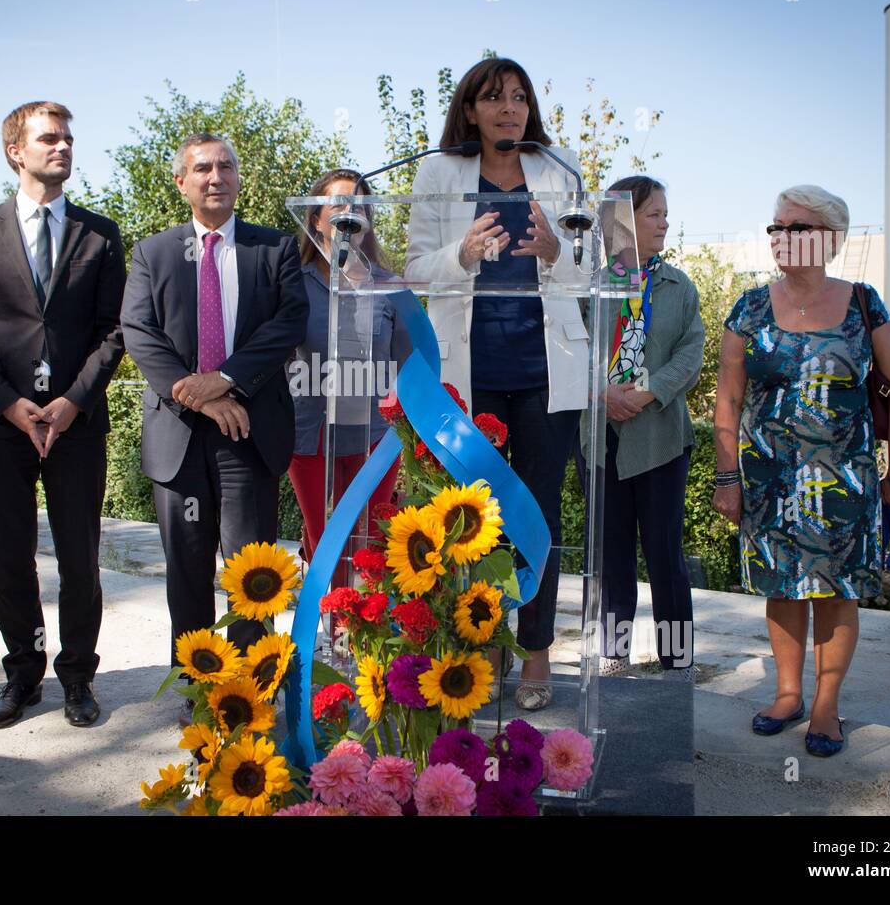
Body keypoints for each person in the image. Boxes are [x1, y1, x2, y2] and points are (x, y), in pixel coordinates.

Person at [405, 57, 590, 710]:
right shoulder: (439, 172)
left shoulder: (559, 167)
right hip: (468, 373)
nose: (509, 108)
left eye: (518, 97)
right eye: (494, 98)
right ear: (472, 110)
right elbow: (416, 270)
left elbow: (591, 269)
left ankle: (535, 655)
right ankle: (477, 653)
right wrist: (461, 255)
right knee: (473, 522)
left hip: (546, 372)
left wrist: (554, 253)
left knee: (536, 515)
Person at [714, 185, 890, 757]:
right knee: (781, 585)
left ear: (829, 238)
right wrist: (727, 476)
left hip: (844, 476)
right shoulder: (750, 306)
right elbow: (728, 400)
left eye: (796, 227)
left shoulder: (862, 303)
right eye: (776, 226)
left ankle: (826, 705)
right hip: (770, 475)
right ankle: (786, 694)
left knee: (838, 588)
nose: (781, 237)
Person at [0, 101, 127, 730]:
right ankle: (22, 674)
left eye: (69, 137)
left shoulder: (101, 234)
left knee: (80, 555)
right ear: (15, 151)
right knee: (10, 555)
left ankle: (78, 675)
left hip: (76, 423)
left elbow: (114, 331)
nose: (63, 147)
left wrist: (73, 401)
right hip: (2, 424)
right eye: (49, 138)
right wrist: (11, 403)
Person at [120, 132, 308, 707]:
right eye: (202, 168)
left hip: (248, 434)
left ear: (237, 177)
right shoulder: (153, 253)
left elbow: (289, 321)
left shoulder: (272, 249)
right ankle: (201, 693)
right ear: (182, 182)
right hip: (178, 435)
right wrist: (199, 396)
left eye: (226, 165)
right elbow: (138, 331)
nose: (216, 176)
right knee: (187, 571)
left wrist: (225, 379)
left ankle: (252, 691)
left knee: (252, 573)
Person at [579, 176, 704, 680]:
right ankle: (614, 650)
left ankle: (678, 659)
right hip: (601, 439)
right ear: (624, 221)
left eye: (665, 215)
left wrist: (648, 390)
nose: (665, 223)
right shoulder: (588, 285)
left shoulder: (678, 286)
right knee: (612, 557)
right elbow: (571, 346)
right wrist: (601, 393)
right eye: (654, 214)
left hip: (660, 439)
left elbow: (691, 352)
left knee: (665, 555)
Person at [288, 169, 410, 629]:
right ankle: (333, 635)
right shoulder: (293, 283)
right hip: (309, 431)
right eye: (337, 205)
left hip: (374, 437)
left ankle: (368, 636)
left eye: (358, 206)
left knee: (370, 538)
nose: (348, 213)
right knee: (325, 539)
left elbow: (406, 361)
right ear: (315, 220)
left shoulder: (389, 286)